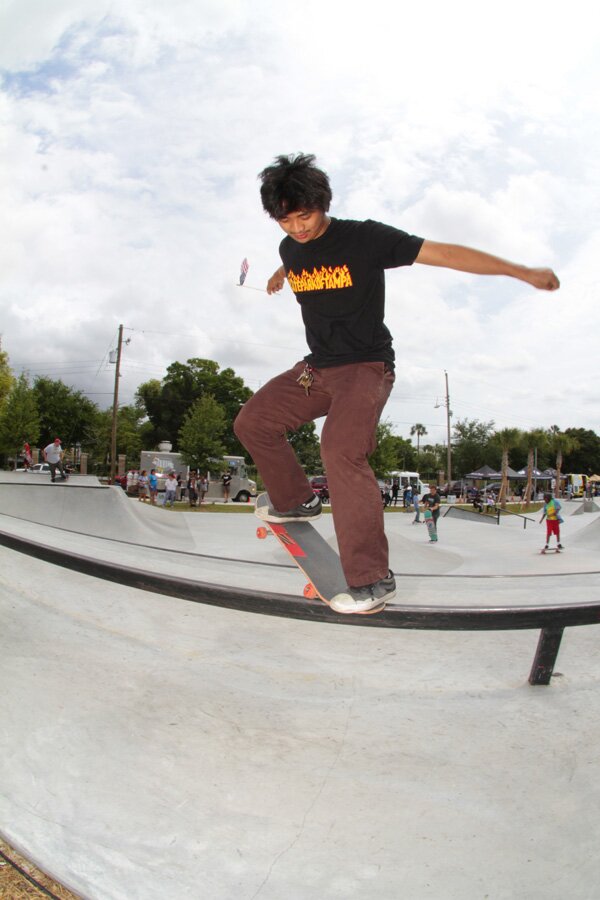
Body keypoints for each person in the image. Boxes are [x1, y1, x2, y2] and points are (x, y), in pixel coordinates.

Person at [233, 153, 560, 615]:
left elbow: (443, 252)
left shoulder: (366, 238)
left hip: (365, 369)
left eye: (304, 217)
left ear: (323, 204)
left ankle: (372, 578)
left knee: (341, 450)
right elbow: (296, 258)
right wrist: (278, 272)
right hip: (316, 369)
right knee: (253, 421)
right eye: (286, 221)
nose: (298, 229)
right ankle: (297, 501)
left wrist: (520, 271)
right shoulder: (291, 248)